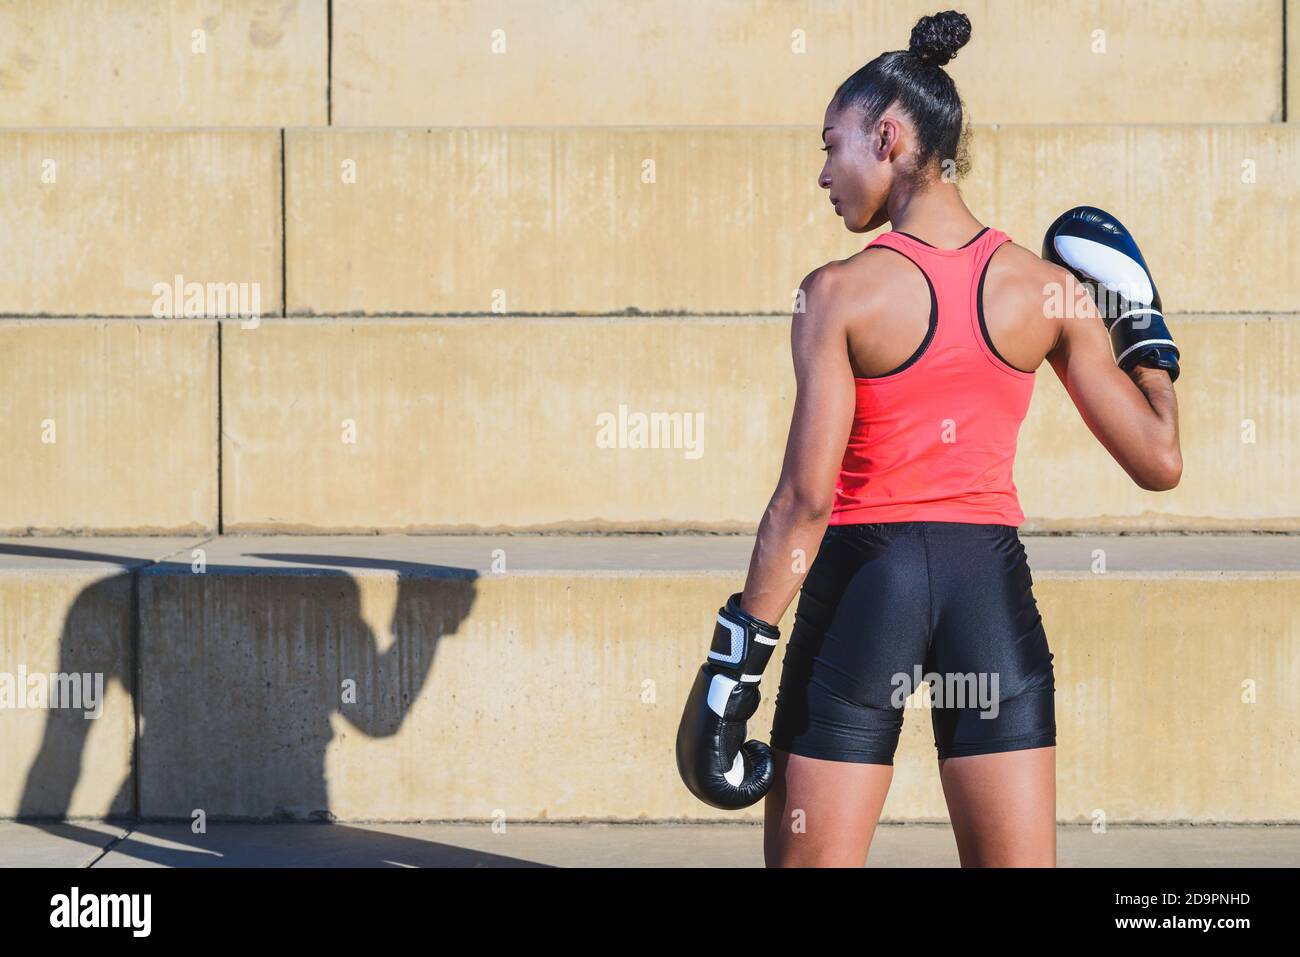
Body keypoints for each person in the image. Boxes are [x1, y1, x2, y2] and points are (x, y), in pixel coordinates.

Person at [676, 9, 1182, 867]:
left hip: (867, 587)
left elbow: (804, 502)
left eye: (830, 145)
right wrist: (1143, 333)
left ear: (887, 135)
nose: (822, 174)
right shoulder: (1048, 289)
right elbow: (1160, 459)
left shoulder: (837, 293)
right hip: (989, 593)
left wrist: (732, 668)